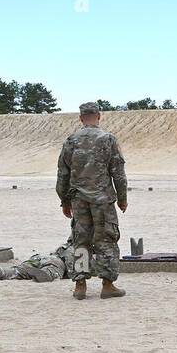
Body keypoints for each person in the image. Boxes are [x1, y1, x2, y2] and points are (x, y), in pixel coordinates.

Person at [56, 102, 128, 300]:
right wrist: (122, 199)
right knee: (106, 240)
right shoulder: (107, 139)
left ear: (80, 118)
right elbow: (118, 173)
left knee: (81, 241)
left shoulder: (71, 140)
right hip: (102, 200)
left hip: (78, 199)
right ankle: (107, 284)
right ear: (99, 116)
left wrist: (64, 201)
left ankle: (80, 285)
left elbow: (63, 173)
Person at [0, 238, 75, 281]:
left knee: (15, 271)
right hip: (57, 262)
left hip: (40, 257)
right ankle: (44, 274)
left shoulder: (65, 246)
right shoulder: (79, 251)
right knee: (51, 274)